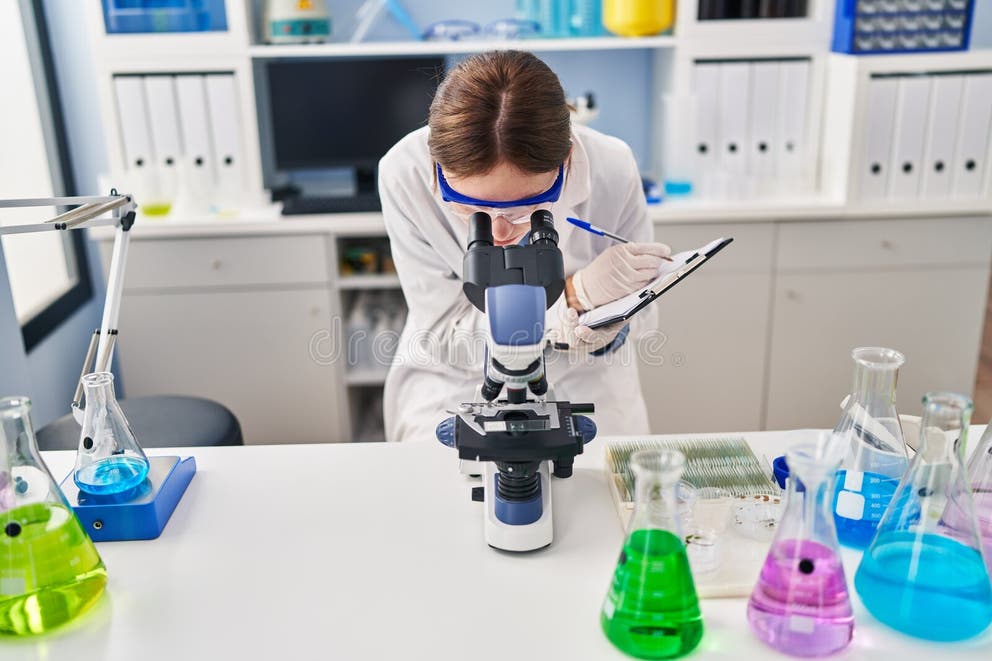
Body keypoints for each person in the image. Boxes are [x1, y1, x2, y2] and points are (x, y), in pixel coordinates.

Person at [378, 50, 671, 442]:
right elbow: (447, 337)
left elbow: (643, 318)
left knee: (607, 477)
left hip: (585, 378)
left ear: (566, 161)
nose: (499, 232)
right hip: (456, 381)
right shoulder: (405, 173)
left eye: (527, 207)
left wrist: (608, 332)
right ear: (437, 167)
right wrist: (574, 297)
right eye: (471, 208)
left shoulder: (612, 166)